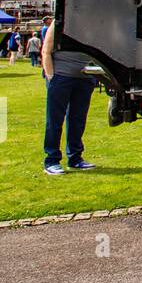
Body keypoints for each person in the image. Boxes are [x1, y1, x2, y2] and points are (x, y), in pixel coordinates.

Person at [40, 20, 97, 175]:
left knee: (77, 119)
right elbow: (46, 49)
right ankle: (52, 159)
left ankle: (75, 158)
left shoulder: (92, 21)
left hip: (84, 77)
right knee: (55, 120)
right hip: (61, 76)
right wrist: (51, 76)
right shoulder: (59, 21)